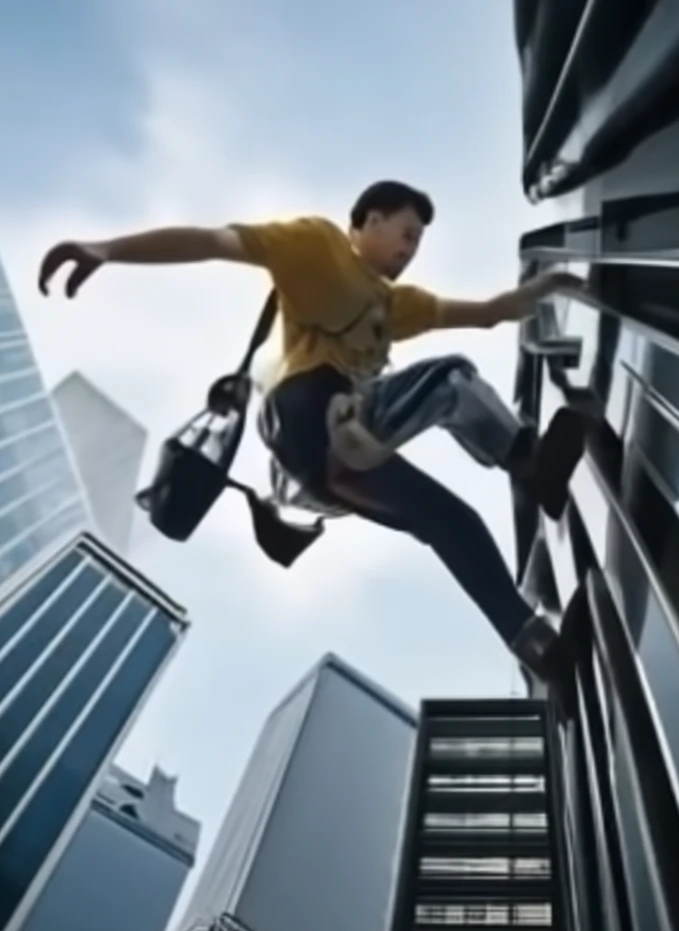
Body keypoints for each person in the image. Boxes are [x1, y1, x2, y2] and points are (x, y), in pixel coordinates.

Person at [38, 180, 591, 707]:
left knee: (451, 470)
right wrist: (105, 249)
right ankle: (342, 430)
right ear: (367, 221)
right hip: (298, 432)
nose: (410, 250)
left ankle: (541, 640)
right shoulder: (316, 245)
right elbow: (212, 242)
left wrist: (543, 289)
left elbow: (489, 313)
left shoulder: (399, 305)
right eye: (404, 233)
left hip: (344, 470)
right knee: (332, 394)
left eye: (418, 243)